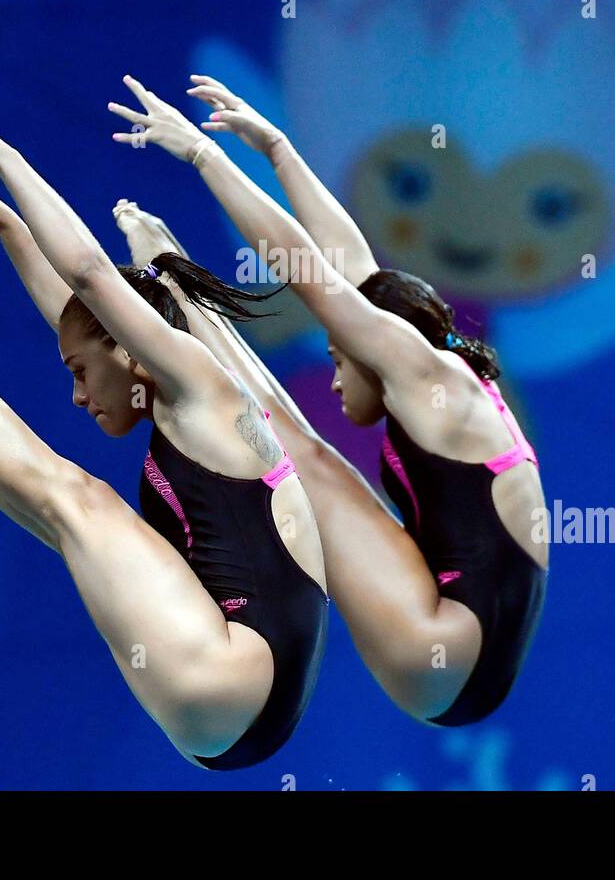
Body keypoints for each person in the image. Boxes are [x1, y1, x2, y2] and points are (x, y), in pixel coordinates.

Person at [0, 87, 327, 771]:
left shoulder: (200, 381)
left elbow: (92, 276)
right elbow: (79, 314)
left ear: (129, 352)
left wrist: (3, 155)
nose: (75, 396)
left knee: (78, 499)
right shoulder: (178, 400)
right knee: (62, 516)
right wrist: (8, 227)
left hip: (232, 677)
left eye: (79, 373)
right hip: (240, 698)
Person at [108, 75, 547, 726]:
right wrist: (279, 148)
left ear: (375, 352)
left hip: (446, 650)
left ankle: (173, 284)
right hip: (474, 649)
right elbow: (353, 270)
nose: (337, 379)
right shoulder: (428, 359)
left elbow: (312, 276)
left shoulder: (430, 376)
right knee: (303, 446)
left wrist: (206, 158)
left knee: (303, 456)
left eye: (341, 360)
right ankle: (177, 285)